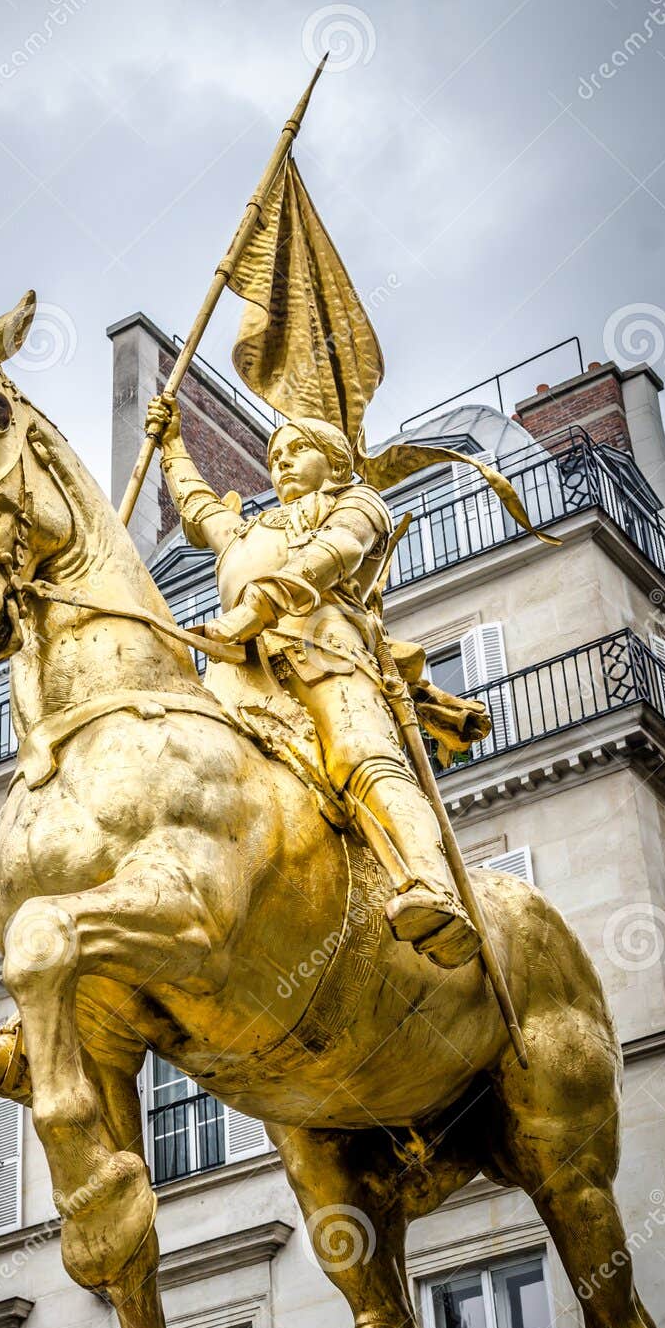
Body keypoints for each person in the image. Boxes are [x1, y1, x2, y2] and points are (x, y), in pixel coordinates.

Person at [147, 393, 482, 969]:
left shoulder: (357, 503)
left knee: (360, 750)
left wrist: (255, 608)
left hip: (324, 650)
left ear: (335, 460)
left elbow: (334, 554)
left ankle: (432, 886)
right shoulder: (249, 530)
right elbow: (199, 508)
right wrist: (172, 443)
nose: (281, 461)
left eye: (297, 449)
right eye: (274, 456)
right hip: (238, 671)